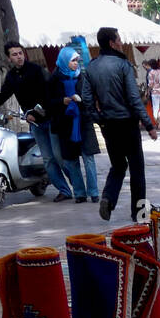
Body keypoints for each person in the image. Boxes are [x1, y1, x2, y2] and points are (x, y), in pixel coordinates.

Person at [80, 26, 156, 222]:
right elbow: (133, 97)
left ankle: (108, 198)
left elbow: (86, 100)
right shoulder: (123, 65)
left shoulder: (91, 67)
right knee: (137, 167)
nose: (122, 43)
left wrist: (99, 119)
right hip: (127, 123)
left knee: (118, 165)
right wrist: (148, 124)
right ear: (112, 43)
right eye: (119, 39)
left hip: (108, 124)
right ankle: (139, 213)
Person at [0, 41, 72, 200]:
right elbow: (2, 95)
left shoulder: (36, 70)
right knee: (48, 160)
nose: (19, 57)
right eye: (14, 54)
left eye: (20, 53)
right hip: (35, 123)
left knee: (60, 157)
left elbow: (48, 95)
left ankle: (80, 187)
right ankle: (65, 191)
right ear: (9, 58)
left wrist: (36, 112)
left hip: (50, 118)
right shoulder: (12, 76)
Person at [46, 46, 100, 203]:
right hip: (65, 125)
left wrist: (81, 101)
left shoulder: (82, 77)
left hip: (83, 122)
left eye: (77, 60)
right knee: (71, 160)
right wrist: (61, 101)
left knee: (88, 158)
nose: (76, 63)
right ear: (64, 61)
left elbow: (89, 97)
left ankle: (94, 192)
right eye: (73, 61)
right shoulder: (54, 79)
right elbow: (48, 102)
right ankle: (79, 193)